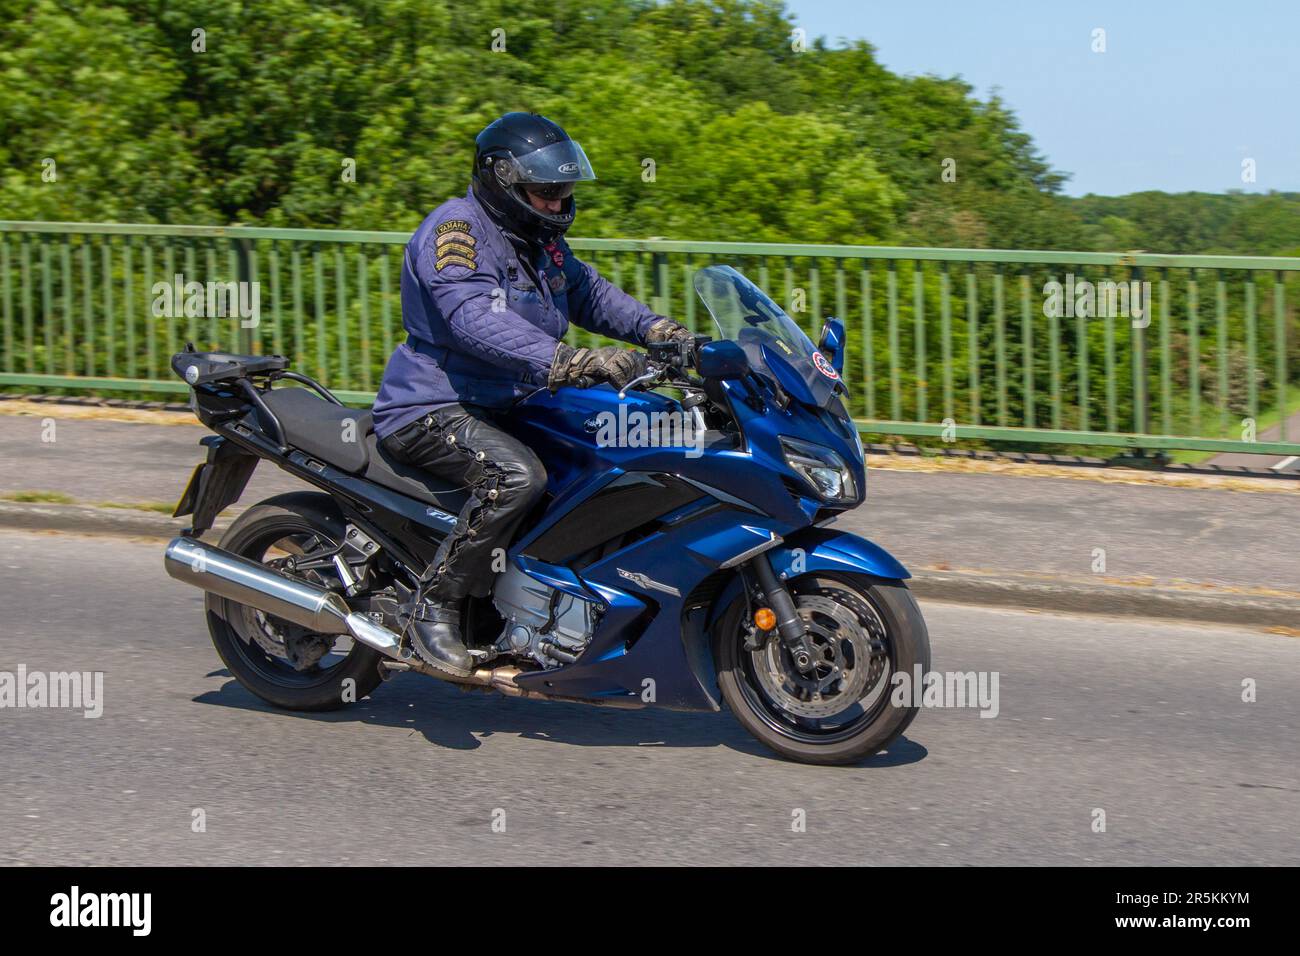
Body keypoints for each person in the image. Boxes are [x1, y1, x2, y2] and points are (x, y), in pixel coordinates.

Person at [370, 112, 693, 677]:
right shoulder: (458, 233)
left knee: (611, 449)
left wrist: (662, 334)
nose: (556, 202)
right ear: (501, 180)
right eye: (545, 192)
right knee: (518, 477)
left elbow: (591, 295)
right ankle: (433, 608)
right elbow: (471, 317)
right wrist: (568, 361)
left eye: (562, 191)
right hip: (433, 405)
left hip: (509, 401)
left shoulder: (539, 242)